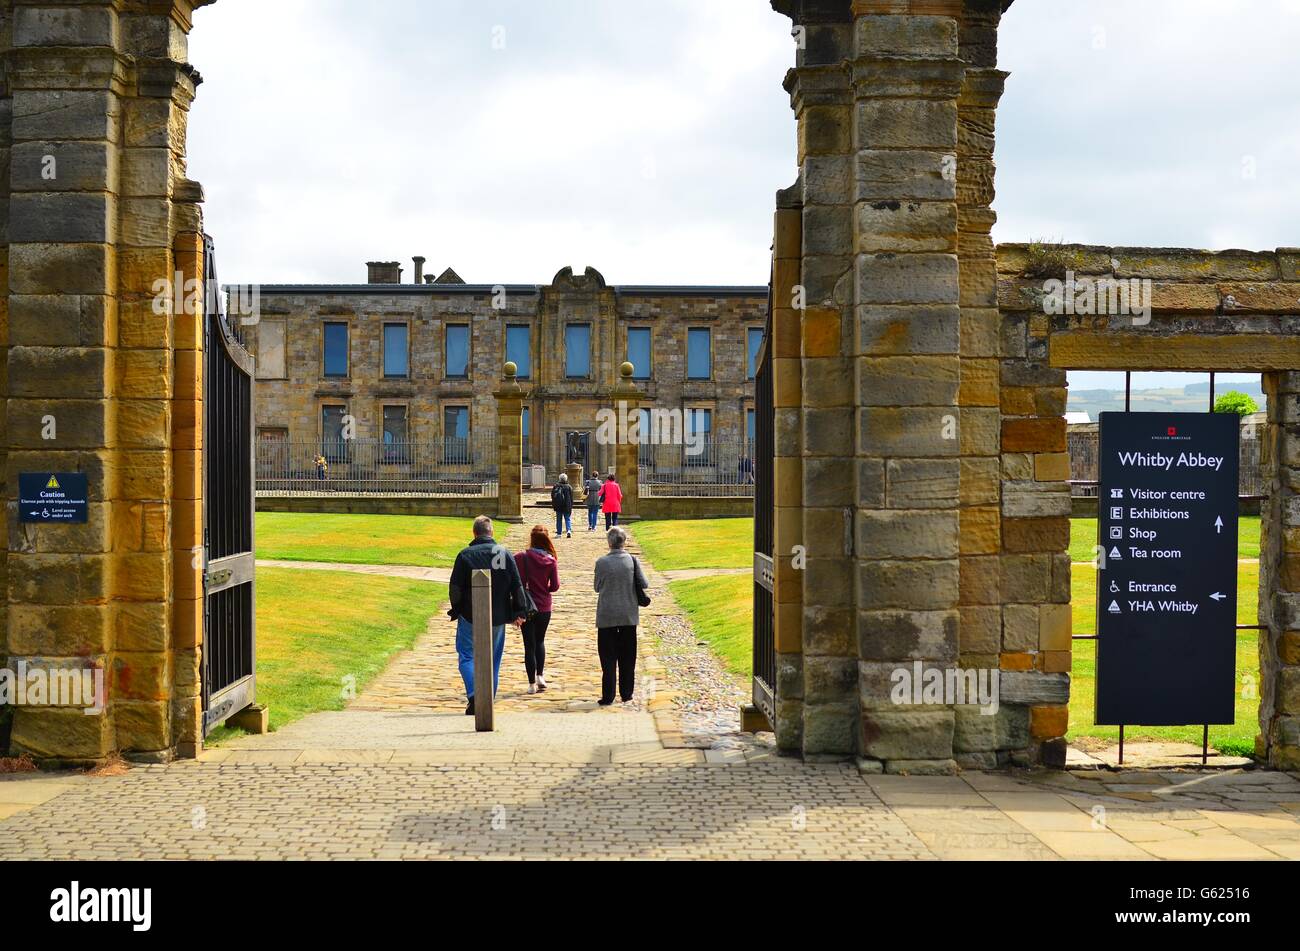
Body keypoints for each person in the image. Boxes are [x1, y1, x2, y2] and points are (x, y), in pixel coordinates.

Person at [448, 516, 527, 716]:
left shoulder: (465, 555)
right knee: (493, 659)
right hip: (498, 616)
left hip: (469, 614)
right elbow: (516, 585)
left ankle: (475, 696)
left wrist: (456, 608)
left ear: (474, 533)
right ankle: (487, 700)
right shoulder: (504, 553)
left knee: (467, 655)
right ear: (491, 532)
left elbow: (455, 588)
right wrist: (519, 611)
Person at [593, 526, 648, 706]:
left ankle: (608, 696)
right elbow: (644, 583)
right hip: (628, 614)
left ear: (609, 543)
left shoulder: (601, 562)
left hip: (607, 615)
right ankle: (626, 693)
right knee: (628, 656)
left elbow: (597, 587)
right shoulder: (632, 561)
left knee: (607, 658)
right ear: (624, 542)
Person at [515, 526, 561, 694]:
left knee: (529, 645)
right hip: (544, 606)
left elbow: (515, 578)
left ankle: (531, 684)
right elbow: (555, 586)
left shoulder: (521, 557)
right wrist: (544, 587)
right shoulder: (551, 560)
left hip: (526, 606)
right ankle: (540, 675)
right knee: (540, 641)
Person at [551, 474, 574, 538]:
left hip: (558, 505)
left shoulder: (556, 486)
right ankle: (568, 530)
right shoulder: (569, 487)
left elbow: (552, 496)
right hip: (566, 505)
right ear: (566, 479)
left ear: (559, 479)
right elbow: (571, 497)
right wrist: (571, 505)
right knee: (567, 519)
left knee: (559, 519)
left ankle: (559, 533)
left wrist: (554, 504)